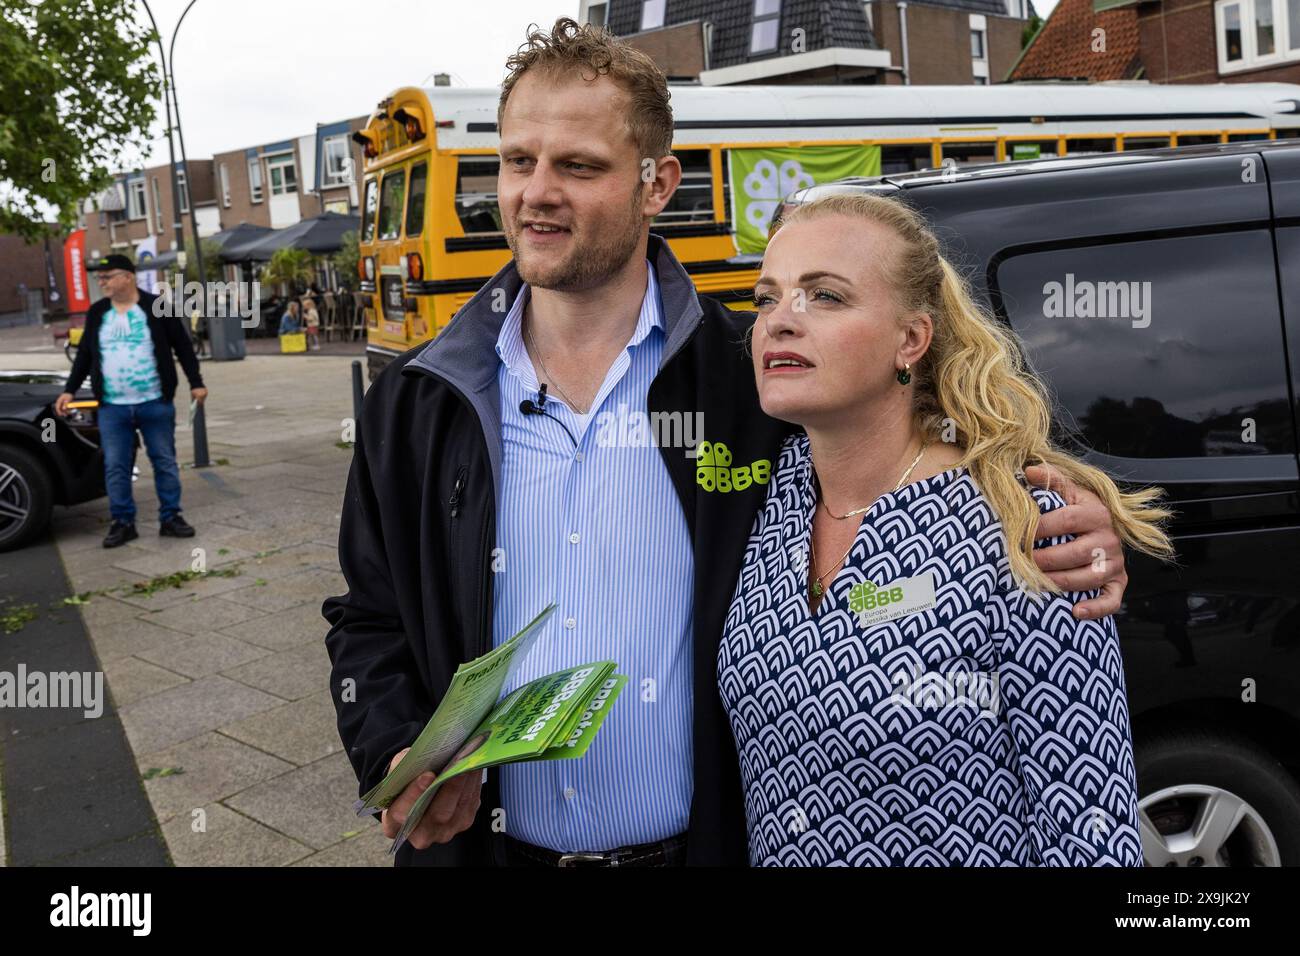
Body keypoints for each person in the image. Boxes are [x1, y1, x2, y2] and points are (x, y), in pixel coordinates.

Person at [323, 17, 1133, 867]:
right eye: (519, 160)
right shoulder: (421, 401)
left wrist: (1062, 511)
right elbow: (368, 616)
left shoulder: (748, 385)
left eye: (580, 166)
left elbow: (896, 439)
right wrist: (393, 745)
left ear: (657, 183)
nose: (537, 191)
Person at [717, 194, 1176, 866]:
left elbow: (1090, 832)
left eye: (826, 297)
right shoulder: (766, 495)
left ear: (911, 339)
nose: (782, 321)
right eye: (767, 297)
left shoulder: (1028, 527)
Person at [55, 254, 206, 547]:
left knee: (164, 461)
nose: (102, 282)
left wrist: (196, 383)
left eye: (107, 276)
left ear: (127, 277)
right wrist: (69, 390)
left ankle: (171, 517)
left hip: (154, 402)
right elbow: (85, 354)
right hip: (113, 406)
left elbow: (184, 347)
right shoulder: (98, 312)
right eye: (100, 278)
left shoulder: (157, 307)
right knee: (115, 465)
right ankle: (123, 522)